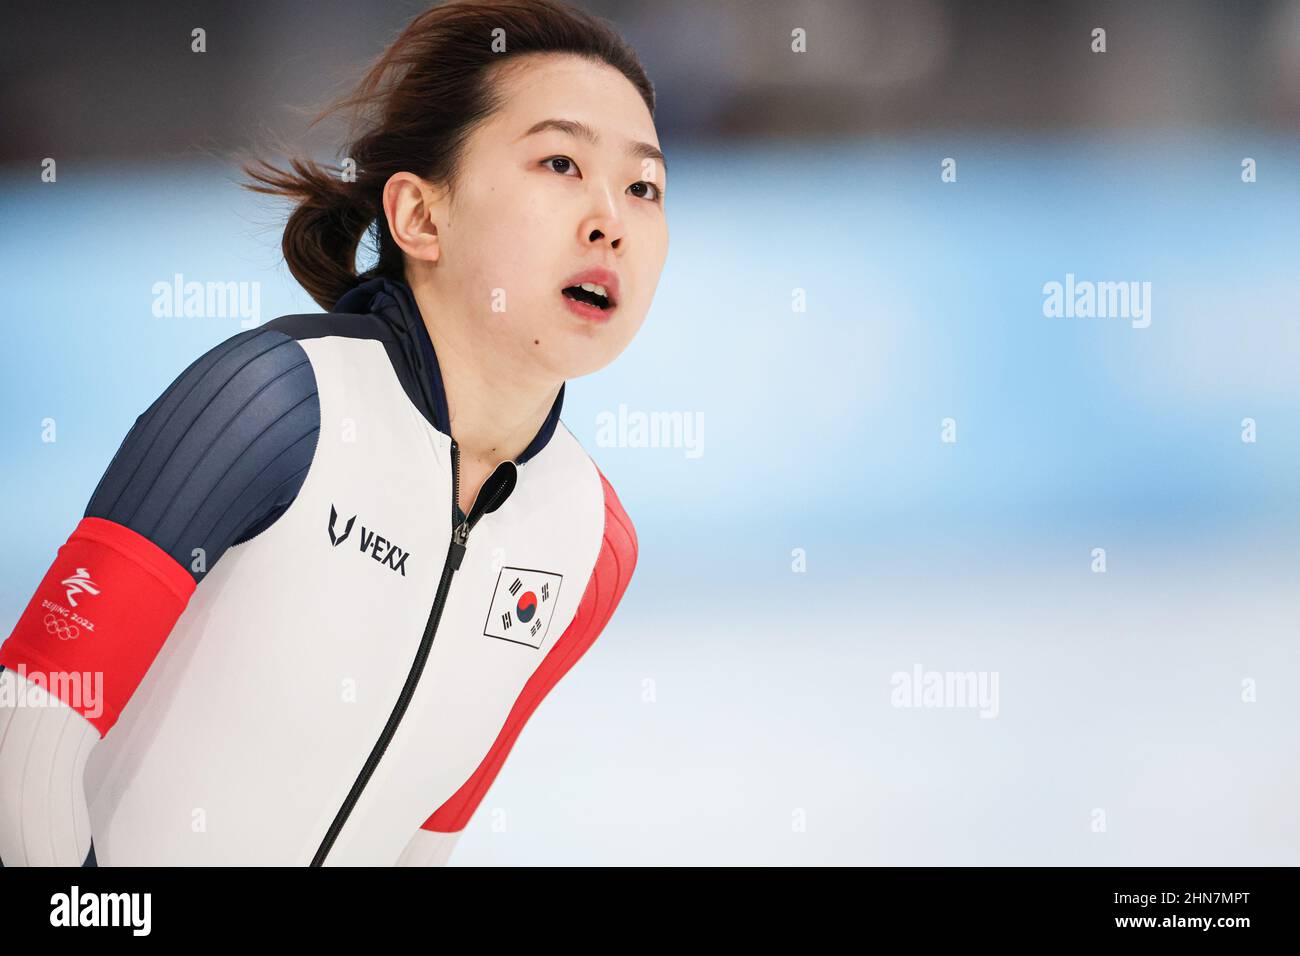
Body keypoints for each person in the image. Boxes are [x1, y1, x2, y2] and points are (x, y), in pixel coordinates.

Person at [0, 0, 667, 866]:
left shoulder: (592, 545)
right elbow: (26, 744)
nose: (610, 218)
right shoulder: (270, 405)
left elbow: (424, 841)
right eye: (560, 162)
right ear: (421, 218)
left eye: (644, 187)